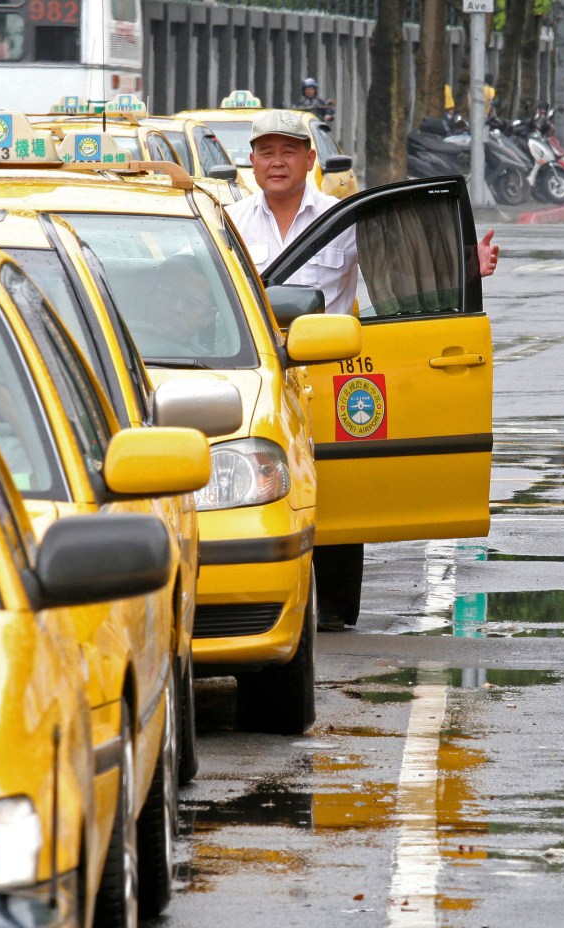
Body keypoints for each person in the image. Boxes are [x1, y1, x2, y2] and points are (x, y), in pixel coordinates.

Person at [227, 108, 501, 630]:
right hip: (255, 371)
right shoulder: (231, 222)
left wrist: (466, 268)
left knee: (336, 483)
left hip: (324, 370)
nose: (277, 162)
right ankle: (256, 599)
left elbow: (399, 273)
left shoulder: (342, 218)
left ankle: (332, 611)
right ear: (253, 161)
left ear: (310, 159)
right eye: (267, 152)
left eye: (288, 151)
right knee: (258, 480)